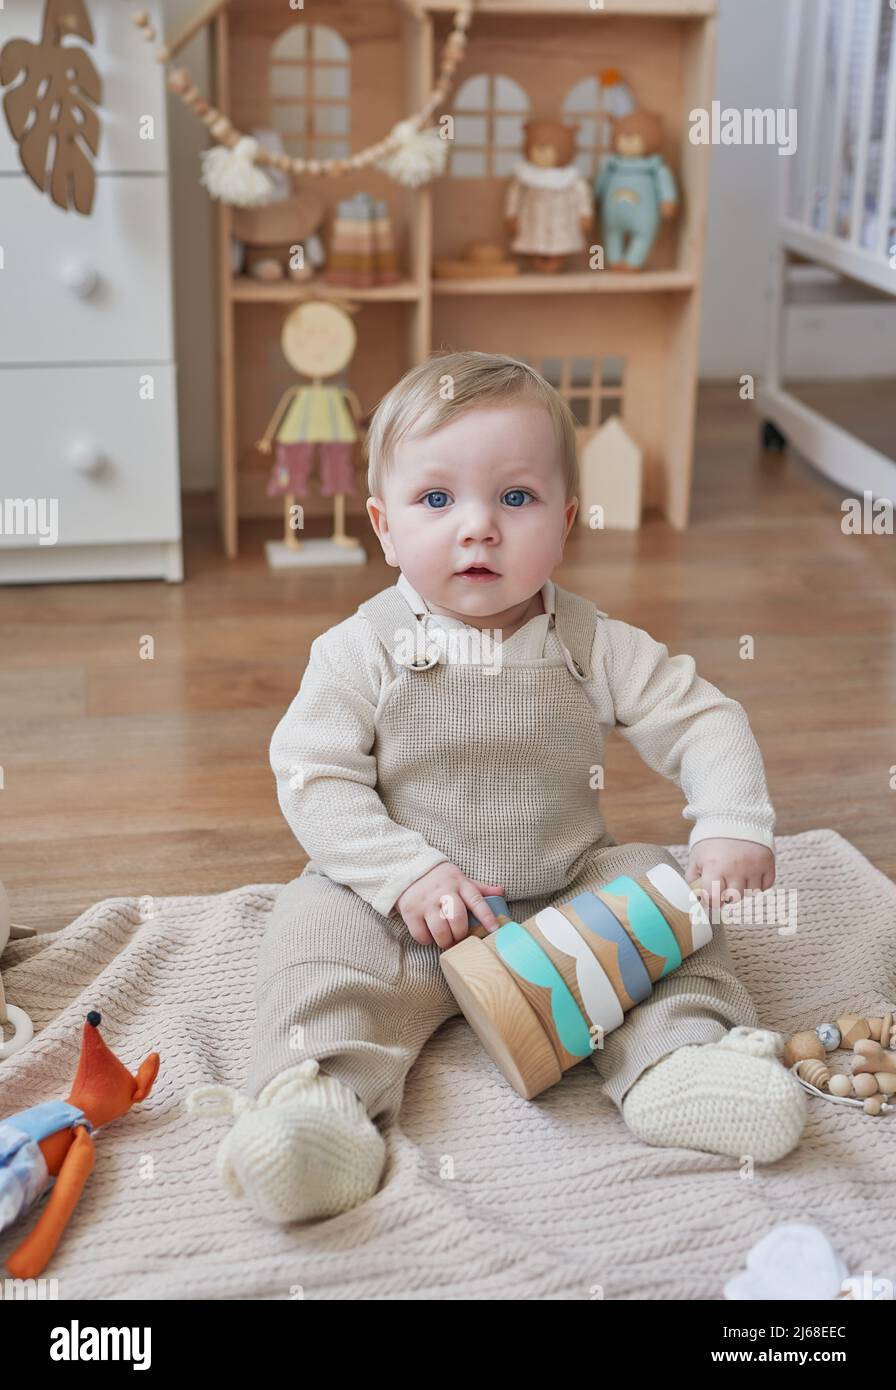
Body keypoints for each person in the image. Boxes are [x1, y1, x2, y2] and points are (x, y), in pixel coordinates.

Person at [209, 351, 805, 1225]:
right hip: (397, 909)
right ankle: (317, 1105)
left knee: (663, 895)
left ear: (565, 521)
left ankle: (681, 1061)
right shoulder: (359, 649)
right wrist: (402, 873)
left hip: (567, 901)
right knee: (311, 936)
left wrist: (730, 820)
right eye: (436, 499)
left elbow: (704, 720)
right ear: (383, 525)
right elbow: (314, 774)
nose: (478, 528)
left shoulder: (591, 642)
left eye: (515, 497)